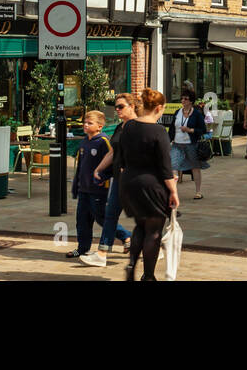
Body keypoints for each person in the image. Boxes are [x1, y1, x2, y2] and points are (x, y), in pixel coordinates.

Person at [109, 88, 179, 280]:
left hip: (129, 183)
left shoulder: (129, 127)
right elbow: (165, 167)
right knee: (154, 232)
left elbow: (121, 158)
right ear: (157, 108)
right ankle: (148, 276)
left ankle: (132, 264)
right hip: (152, 185)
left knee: (140, 226)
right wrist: (173, 191)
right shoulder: (158, 131)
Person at [92, 93, 133, 264]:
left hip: (135, 180)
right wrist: (99, 168)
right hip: (119, 178)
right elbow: (112, 152)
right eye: (115, 107)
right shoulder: (119, 127)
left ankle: (155, 246)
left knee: (144, 216)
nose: (117, 110)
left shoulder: (137, 127)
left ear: (132, 106)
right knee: (110, 214)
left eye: (121, 106)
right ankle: (102, 253)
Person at [67, 110, 112, 267]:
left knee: (102, 218)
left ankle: (127, 237)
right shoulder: (84, 142)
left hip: (98, 189)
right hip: (84, 189)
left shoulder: (103, 141)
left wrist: (103, 179)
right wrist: (75, 187)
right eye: (84, 123)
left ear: (100, 126)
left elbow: (111, 162)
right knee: (82, 220)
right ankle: (82, 248)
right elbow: (80, 167)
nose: (85, 125)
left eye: (89, 123)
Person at [169, 91, 209, 197]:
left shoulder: (196, 114)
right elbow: (172, 127)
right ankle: (173, 192)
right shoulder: (177, 112)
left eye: (185, 99)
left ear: (191, 101)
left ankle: (198, 191)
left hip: (191, 144)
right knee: (173, 166)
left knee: (195, 167)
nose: (183, 101)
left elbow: (203, 130)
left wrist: (190, 130)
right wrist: (169, 140)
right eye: (182, 98)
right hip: (177, 144)